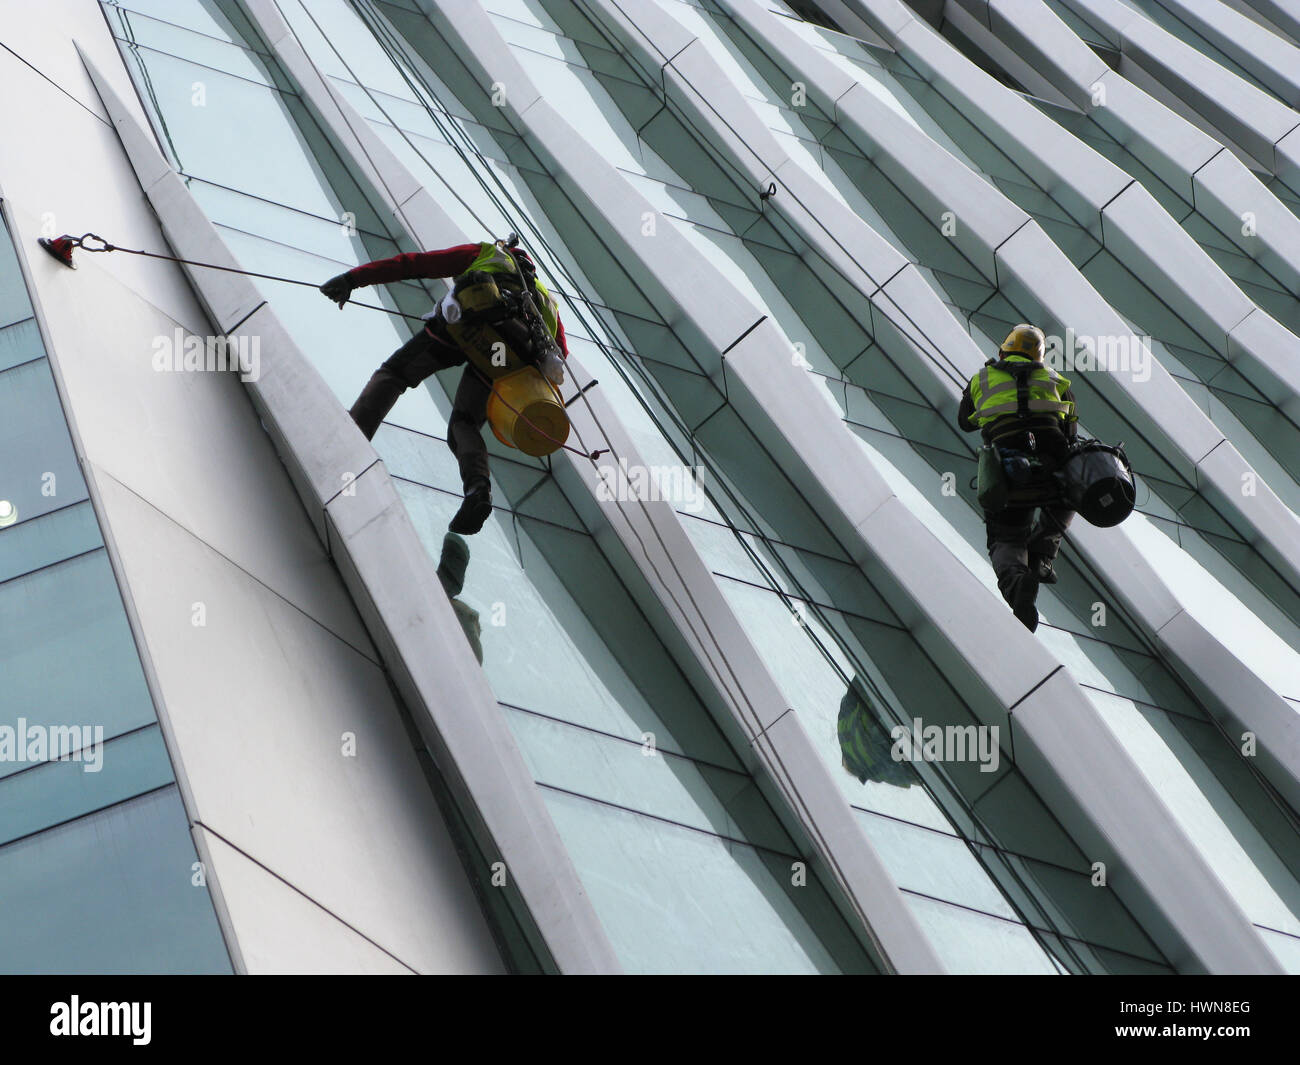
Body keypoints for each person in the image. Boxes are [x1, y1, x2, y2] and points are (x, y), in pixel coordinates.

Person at [321, 240, 569, 535]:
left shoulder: (489, 253)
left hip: (465, 327)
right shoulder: (545, 303)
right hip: (505, 358)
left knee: (394, 375)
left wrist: (353, 279)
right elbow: (559, 355)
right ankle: (478, 490)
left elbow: (415, 264)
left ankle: (350, 443)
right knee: (464, 424)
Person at [957, 324, 1078, 632]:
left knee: (1006, 539)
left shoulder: (981, 379)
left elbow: (964, 422)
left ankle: (1017, 583)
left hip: (1008, 475)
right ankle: (1041, 556)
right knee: (1070, 496)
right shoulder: (1057, 380)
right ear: (1039, 355)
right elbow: (1071, 434)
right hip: (1051, 473)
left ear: (1003, 351)